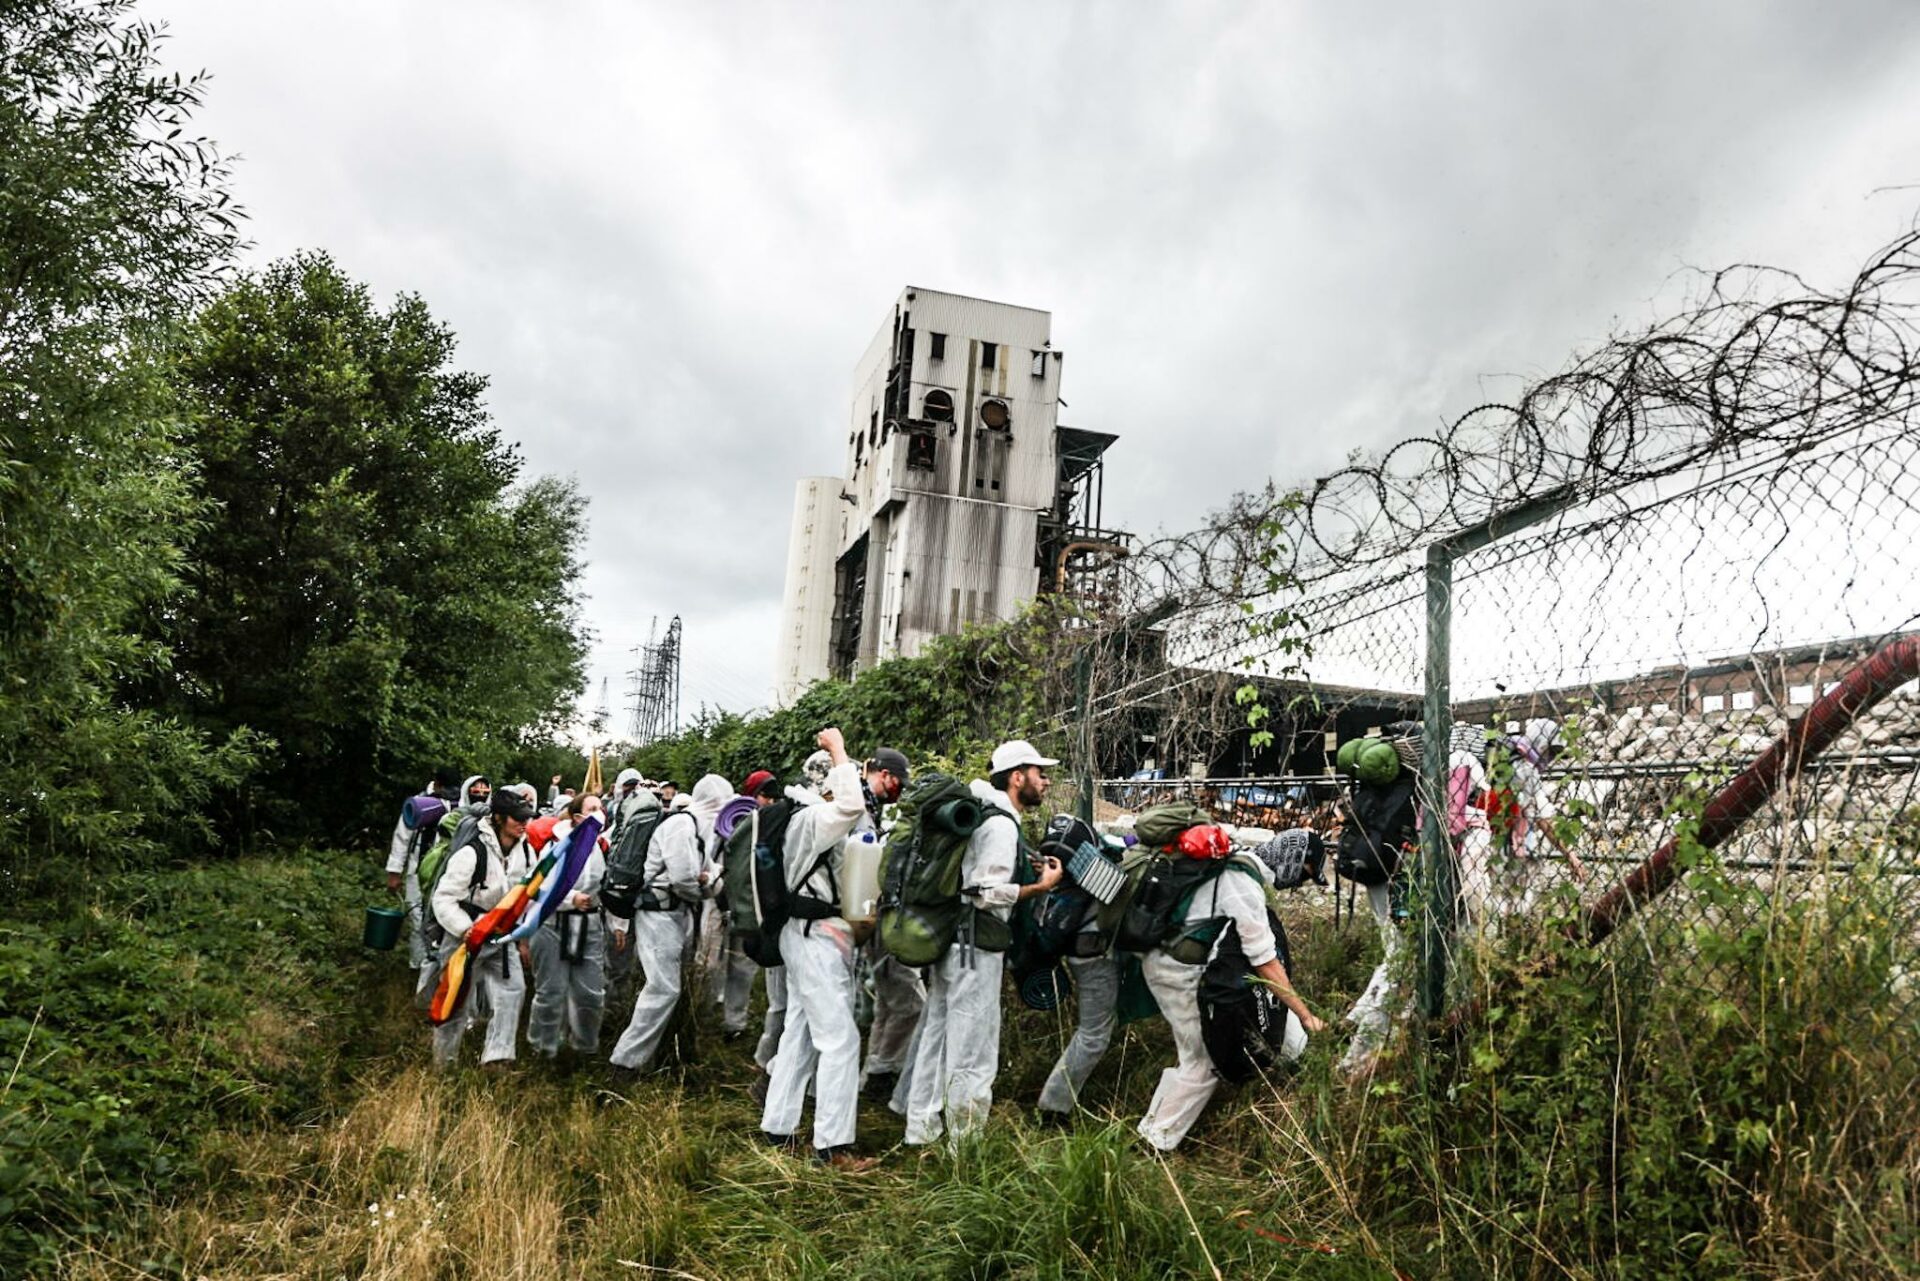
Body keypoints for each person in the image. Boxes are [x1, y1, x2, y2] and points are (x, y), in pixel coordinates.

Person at [900, 739, 1064, 1148]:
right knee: (973, 1049)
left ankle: (919, 1129)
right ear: (1016, 777)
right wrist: (1038, 886)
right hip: (976, 948)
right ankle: (965, 1144)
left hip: (952, 943)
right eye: (1039, 773)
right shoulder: (1000, 824)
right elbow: (984, 891)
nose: (1045, 781)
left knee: (937, 1038)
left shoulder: (984, 815)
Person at [1137, 837, 1325, 1151]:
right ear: (1291, 859)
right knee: (1204, 1059)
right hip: (1176, 971)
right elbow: (1264, 961)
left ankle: (1296, 1087)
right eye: (1303, 873)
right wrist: (1306, 1015)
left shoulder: (1242, 862)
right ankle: (1153, 1142)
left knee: (1271, 1025)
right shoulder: (1243, 884)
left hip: (1190, 961)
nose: (1299, 882)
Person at [759, 729, 874, 1169]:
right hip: (814, 936)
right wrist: (840, 750)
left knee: (802, 1034)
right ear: (827, 783)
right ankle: (832, 1148)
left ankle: (778, 1126)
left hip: (807, 934)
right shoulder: (812, 819)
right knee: (840, 1039)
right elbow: (850, 806)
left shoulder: (803, 820)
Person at [606, 773, 732, 1074]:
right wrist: (702, 885)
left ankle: (665, 1054)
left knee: (673, 987)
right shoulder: (680, 826)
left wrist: (704, 881)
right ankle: (625, 1063)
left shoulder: (697, 832)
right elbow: (685, 878)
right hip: (658, 915)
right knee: (664, 988)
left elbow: (709, 874)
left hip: (677, 915)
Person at [428, 787, 537, 1071]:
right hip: (465, 939)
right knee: (455, 1001)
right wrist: (464, 928)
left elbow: (539, 889)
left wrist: (573, 898)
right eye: (516, 818)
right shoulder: (470, 853)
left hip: (501, 937)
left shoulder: (526, 850)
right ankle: (444, 1066)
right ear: (499, 818)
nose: (523, 823)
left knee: (513, 991)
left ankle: (497, 1059)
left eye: (526, 817)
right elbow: (444, 898)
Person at [856, 747, 922, 1101]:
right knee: (911, 1002)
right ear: (884, 775)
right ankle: (881, 1071)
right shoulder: (856, 805)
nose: (897, 790)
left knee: (888, 999)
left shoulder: (867, 807)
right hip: (860, 919)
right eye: (897, 783)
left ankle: (875, 1072)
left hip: (863, 919)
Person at [527, 792, 612, 1064]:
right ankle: (543, 1050)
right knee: (551, 992)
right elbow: (539, 887)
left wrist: (618, 921)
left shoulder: (600, 846)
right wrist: (570, 899)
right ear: (578, 817)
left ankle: (585, 1049)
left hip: (589, 925)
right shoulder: (554, 845)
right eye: (592, 809)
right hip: (553, 924)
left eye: (601, 808)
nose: (600, 812)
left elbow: (606, 886)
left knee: (591, 993)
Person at [716, 769, 783, 1039]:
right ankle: (704, 1011)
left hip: (748, 904)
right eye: (763, 794)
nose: (767, 800)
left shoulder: (770, 825)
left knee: (743, 966)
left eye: (771, 796)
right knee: (710, 962)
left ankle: (735, 1023)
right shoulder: (730, 818)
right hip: (719, 900)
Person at [385, 765, 462, 970]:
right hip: (416, 870)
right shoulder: (420, 803)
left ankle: (439, 969)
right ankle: (418, 966)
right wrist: (394, 872)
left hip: (447, 873)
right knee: (417, 917)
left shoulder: (460, 805)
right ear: (437, 784)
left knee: (440, 920)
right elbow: (402, 838)